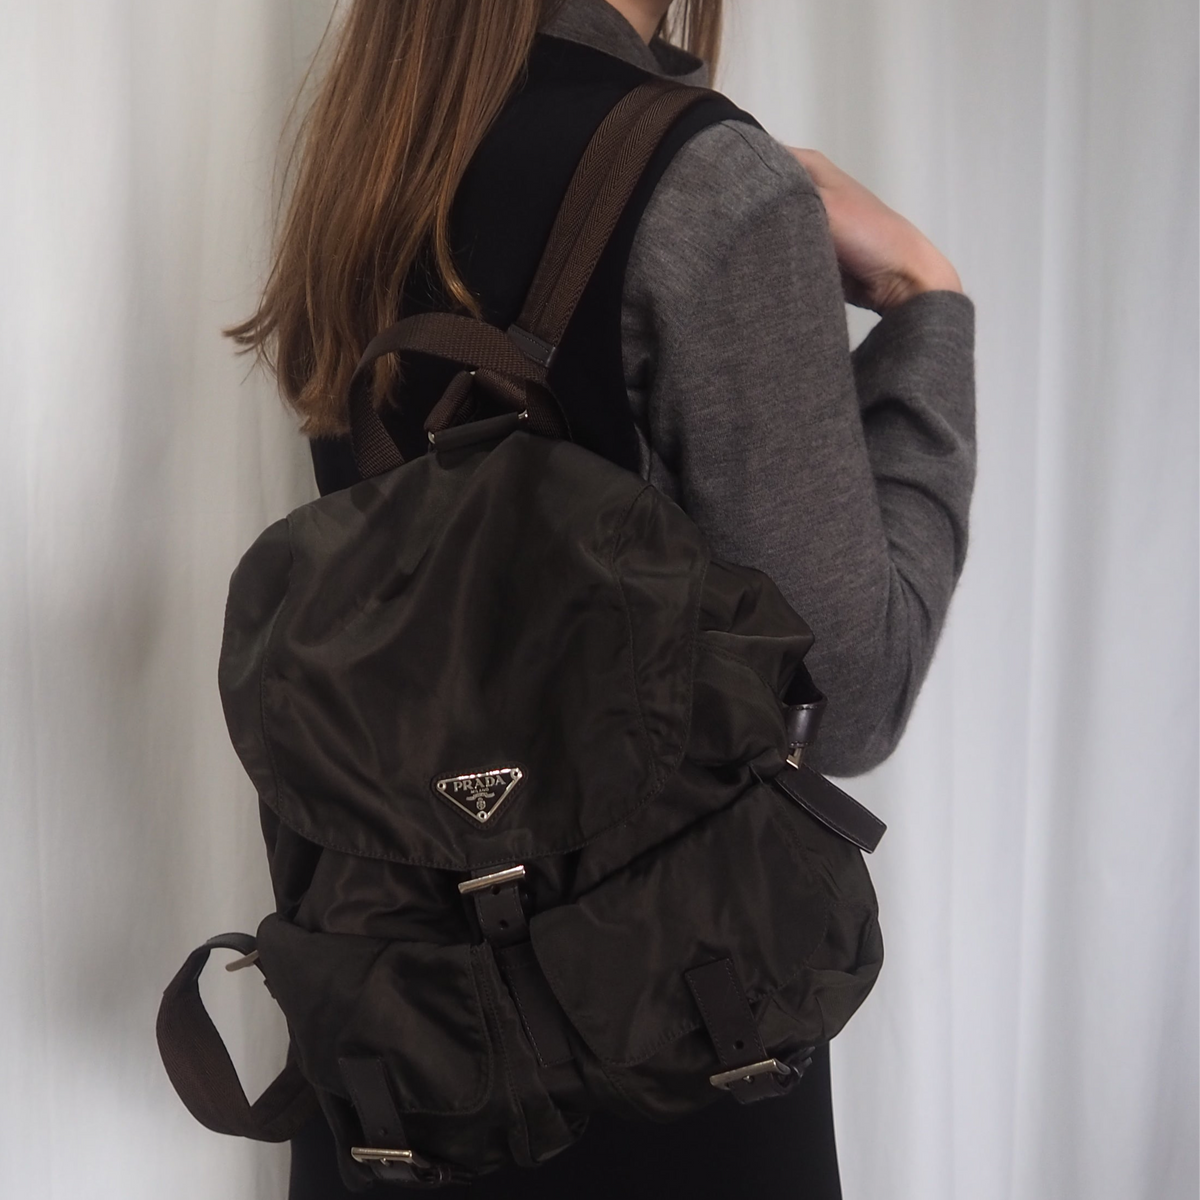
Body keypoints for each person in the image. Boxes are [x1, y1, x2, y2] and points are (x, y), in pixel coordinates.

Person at [228, 0, 976, 1195]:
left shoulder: (383, 152)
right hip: (673, 1053)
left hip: (395, 1069)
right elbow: (847, 700)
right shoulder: (710, 184)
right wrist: (924, 298)